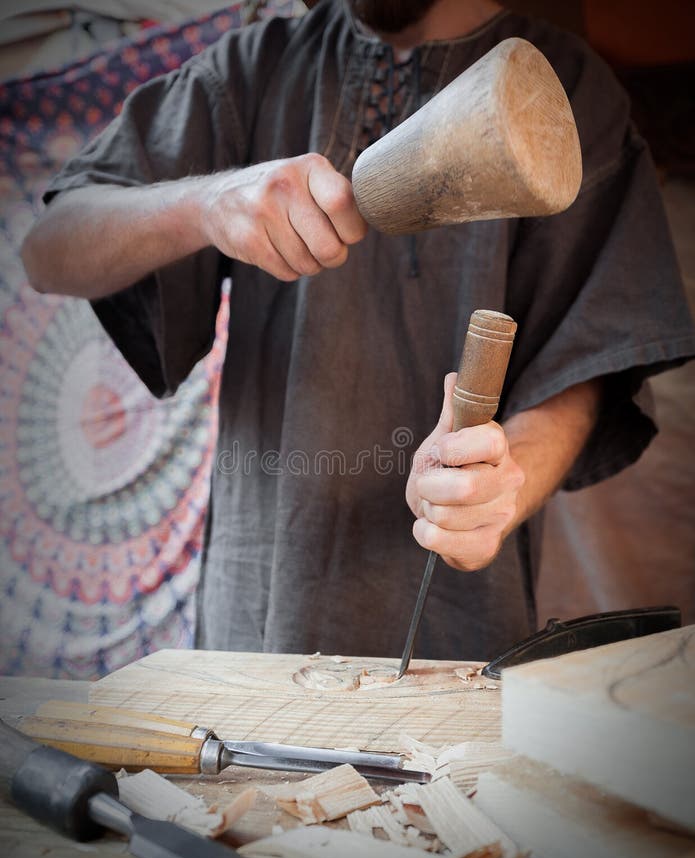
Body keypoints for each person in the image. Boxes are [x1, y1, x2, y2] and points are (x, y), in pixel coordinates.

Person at [21, 0, 695, 661]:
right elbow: (48, 250)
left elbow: (586, 355)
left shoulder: (568, 90)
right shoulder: (253, 64)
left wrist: (497, 488)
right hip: (257, 612)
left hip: (454, 622)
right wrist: (203, 202)